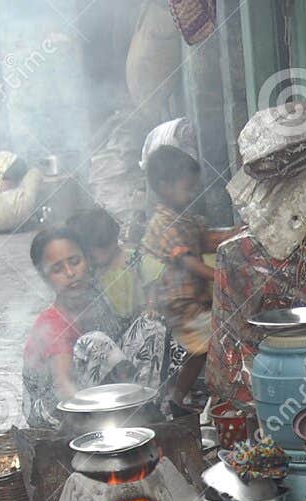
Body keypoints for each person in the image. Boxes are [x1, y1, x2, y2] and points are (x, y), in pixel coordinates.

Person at [22, 226, 120, 428]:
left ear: (87, 260)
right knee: (95, 343)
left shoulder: (97, 299)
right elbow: (63, 383)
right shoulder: (52, 322)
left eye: (75, 262)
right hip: (54, 410)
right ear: (44, 276)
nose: (70, 273)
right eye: (57, 269)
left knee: (151, 325)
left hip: (86, 392)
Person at [140, 145, 214, 401]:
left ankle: (176, 395)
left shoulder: (184, 217)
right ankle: (176, 396)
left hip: (193, 298)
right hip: (179, 303)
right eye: (188, 188)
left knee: (202, 349)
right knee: (210, 341)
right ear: (165, 187)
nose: (193, 194)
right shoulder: (164, 222)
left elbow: (204, 239)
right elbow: (188, 261)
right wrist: (219, 275)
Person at [68, 206, 141, 327]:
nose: (88, 255)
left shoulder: (129, 264)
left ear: (108, 242)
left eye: (91, 248)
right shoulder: (96, 271)